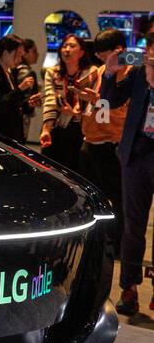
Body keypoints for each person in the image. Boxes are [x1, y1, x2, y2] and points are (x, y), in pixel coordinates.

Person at [98, 31, 154, 315]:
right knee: (133, 225)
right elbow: (109, 102)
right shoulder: (139, 72)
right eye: (150, 51)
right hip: (136, 154)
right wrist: (109, 74)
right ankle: (129, 288)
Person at [79, 29, 128, 252]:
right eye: (97, 53)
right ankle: (99, 240)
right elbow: (100, 107)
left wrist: (97, 100)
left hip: (111, 144)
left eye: (103, 53)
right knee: (93, 195)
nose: (99, 57)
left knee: (115, 198)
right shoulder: (99, 70)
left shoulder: (129, 72)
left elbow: (120, 113)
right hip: (91, 141)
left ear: (118, 50)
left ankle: (114, 243)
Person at [39, 33, 91, 171]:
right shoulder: (53, 72)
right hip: (58, 126)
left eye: (72, 46)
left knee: (78, 170)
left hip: (82, 130)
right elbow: (50, 99)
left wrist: (75, 114)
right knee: (52, 169)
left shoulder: (91, 73)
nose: (67, 49)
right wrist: (46, 129)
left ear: (81, 52)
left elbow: (93, 102)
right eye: (64, 46)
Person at [0, 33, 32, 141]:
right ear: (5, 53)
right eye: (17, 54)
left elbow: (11, 101)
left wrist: (28, 102)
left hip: (10, 134)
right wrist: (20, 89)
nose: (20, 59)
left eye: (21, 55)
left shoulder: (8, 72)